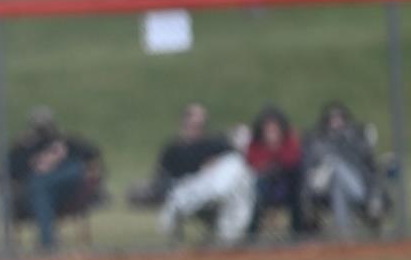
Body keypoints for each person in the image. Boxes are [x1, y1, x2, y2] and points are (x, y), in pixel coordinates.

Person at [147, 103, 253, 246]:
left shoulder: (212, 144)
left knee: (237, 171)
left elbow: (233, 154)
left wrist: (215, 163)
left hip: (214, 190)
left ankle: (230, 233)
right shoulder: (173, 149)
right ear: (185, 121)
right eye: (193, 120)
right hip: (185, 189)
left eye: (200, 121)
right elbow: (162, 176)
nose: (197, 124)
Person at [7, 105, 102, 253]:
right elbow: (10, 171)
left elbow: (92, 154)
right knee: (39, 186)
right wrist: (21, 147)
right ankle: (48, 243)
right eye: (39, 126)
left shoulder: (66, 141)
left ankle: (47, 242)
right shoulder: (24, 148)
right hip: (39, 193)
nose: (43, 130)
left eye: (45, 125)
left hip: (68, 187)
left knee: (55, 176)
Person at [305, 101, 385, 237]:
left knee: (335, 166)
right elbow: (312, 162)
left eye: (339, 118)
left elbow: (369, 166)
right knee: (337, 181)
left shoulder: (355, 138)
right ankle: (345, 233)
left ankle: (347, 227)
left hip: (359, 186)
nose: (336, 122)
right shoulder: (320, 141)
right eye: (332, 119)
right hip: (328, 190)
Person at [244, 105, 310, 238]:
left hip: (288, 186)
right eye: (268, 128)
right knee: (260, 185)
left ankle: (297, 232)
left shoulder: (289, 141)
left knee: (296, 181)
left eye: (274, 128)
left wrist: (275, 153)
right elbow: (253, 163)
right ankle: (251, 235)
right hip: (263, 187)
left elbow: (293, 159)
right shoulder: (256, 144)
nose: (271, 131)